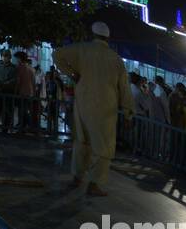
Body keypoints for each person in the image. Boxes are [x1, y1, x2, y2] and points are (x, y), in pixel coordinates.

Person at [52, 22, 134, 197]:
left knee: (82, 142)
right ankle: (95, 184)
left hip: (82, 103)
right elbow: (124, 89)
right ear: (108, 38)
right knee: (104, 147)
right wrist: (128, 112)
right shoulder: (116, 59)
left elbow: (57, 54)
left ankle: (77, 177)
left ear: (93, 35)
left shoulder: (82, 49)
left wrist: (72, 73)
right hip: (105, 107)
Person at [0, 49, 16, 133]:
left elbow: (14, 79)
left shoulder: (13, 67)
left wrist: (5, 84)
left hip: (8, 91)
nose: (5, 57)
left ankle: (5, 128)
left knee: (7, 111)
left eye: (6, 56)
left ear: (10, 57)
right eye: (3, 55)